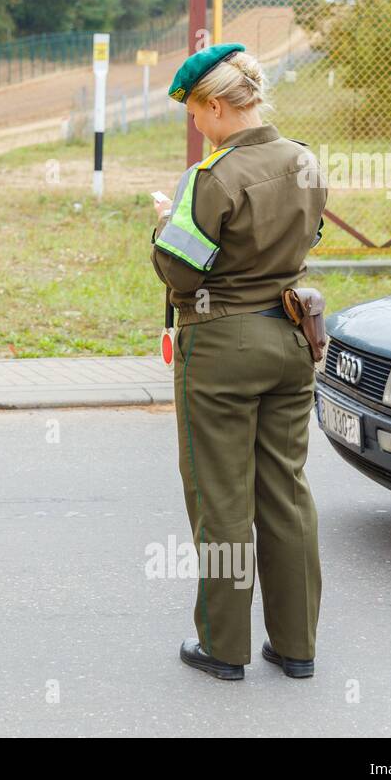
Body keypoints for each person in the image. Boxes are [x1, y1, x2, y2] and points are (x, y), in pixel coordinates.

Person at [152, 43, 327, 681]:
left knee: (222, 499)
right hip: (292, 339)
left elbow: (179, 270)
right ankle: (297, 646)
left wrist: (165, 223)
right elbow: (307, 236)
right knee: (287, 493)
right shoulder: (304, 161)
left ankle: (224, 648)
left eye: (196, 114)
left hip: (222, 348)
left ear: (219, 107)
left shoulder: (212, 178)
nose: (197, 126)